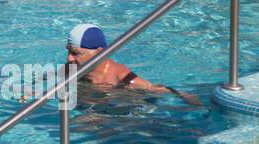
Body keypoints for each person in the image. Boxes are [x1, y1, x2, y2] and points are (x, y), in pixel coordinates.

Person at [65, 24, 199, 103]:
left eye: (76, 53)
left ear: (99, 53)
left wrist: (182, 95)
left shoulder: (120, 77)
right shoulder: (71, 69)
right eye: (68, 51)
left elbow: (152, 88)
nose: (69, 58)